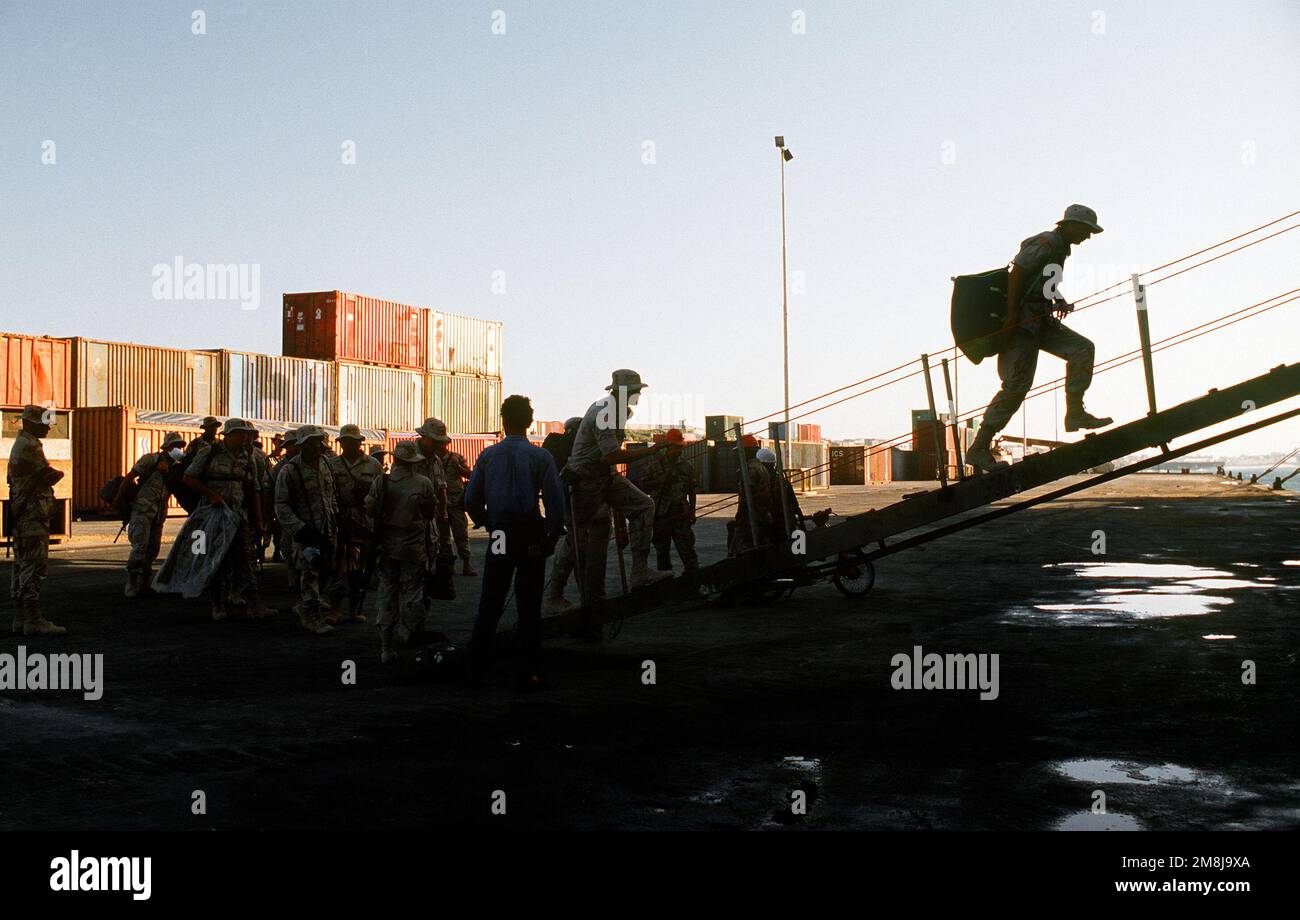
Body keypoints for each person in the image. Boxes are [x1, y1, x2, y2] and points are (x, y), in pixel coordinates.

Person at [966, 204, 1113, 472]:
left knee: (1082, 349)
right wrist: (1011, 316)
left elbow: (1046, 283)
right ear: (1069, 225)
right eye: (1086, 230)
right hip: (1022, 323)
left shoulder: (1061, 249)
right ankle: (979, 448)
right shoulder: (1046, 243)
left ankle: (1075, 412)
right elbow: (1017, 274)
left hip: (1040, 320)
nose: (1088, 237)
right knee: (1017, 384)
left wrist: (1059, 300)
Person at [464, 395, 565, 690]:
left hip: (500, 534)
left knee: (491, 600)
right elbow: (555, 504)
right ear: (529, 422)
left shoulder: (488, 456)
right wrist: (550, 536)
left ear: (503, 421)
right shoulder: (540, 457)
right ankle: (527, 672)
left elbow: (470, 498)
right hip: (530, 534)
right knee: (529, 604)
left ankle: (476, 669)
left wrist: (485, 520)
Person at [564, 369, 673, 604]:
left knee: (644, 506)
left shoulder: (618, 411)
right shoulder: (605, 412)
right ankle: (554, 593)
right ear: (621, 392)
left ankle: (640, 571)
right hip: (585, 481)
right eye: (634, 392)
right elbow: (611, 455)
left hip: (604, 476)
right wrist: (652, 450)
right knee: (576, 539)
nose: (638, 397)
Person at [184, 417, 270, 621]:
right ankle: (218, 605)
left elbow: (253, 489)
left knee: (245, 560)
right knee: (215, 560)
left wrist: (258, 521)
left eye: (246, 434)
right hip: (212, 515)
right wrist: (211, 494)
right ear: (228, 435)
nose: (245, 438)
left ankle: (254, 605)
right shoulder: (209, 452)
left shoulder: (248, 457)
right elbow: (188, 477)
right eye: (240, 434)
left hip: (237, 516)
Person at [364, 440, 439, 663]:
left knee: (387, 595)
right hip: (413, 549)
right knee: (412, 596)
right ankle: (411, 642)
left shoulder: (382, 481)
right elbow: (430, 512)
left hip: (387, 549)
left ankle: (386, 649)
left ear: (395, 460)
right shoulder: (423, 483)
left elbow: (369, 509)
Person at [6, 405, 66, 635]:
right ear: (31, 423)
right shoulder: (30, 446)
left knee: (22, 565)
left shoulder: (20, 444)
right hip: (32, 515)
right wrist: (57, 474)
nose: (48, 428)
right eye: (44, 423)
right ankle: (33, 619)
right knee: (34, 566)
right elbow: (48, 475)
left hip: (24, 514)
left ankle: (20, 617)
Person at [274, 425, 340, 635]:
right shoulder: (290, 470)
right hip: (306, 531)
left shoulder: (325, 465)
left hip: (327, 528)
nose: (318, 445)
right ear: (303, 445)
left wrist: (337, 520)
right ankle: (312, 617)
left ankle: (307, 607)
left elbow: (331, 496)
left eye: (319, 441)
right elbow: (281, 504)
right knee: (309, 573)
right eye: (312, 442)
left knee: (327, 570)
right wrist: (298, 528)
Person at [116, 431, 186, 598]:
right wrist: (118, 498)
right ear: (167, 447)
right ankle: (132, 582)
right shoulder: (150, 459)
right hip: (142, 511)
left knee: (152, 550)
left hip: (159, 514)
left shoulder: (175, 469)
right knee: (139, 547)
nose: (178, 449)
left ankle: (144, 583)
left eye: (180, 446)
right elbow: (130, 477)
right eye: (175, 446)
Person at [327, 424, 383, 621]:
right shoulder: (332, 464)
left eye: (353, 441)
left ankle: (354, 609)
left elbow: (380, 495)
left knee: (361, 568)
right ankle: (335, 609)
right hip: (340, 518)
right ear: (340, 443)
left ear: (360, 443)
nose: (349, 445)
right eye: (345, 441)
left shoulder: (373, 465)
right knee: (338, 566)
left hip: (365, 520)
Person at [542, 416, 584, 614]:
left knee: (573, 549)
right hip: (578, 507)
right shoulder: (576, 448)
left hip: (567, 506)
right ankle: (558, 596)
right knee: (577, 554)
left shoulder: (553, 446)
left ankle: (556, 595)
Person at [643, 428, 699, 573]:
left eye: (681, 447)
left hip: (680, 514)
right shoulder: (654, 464)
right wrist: (661, 481)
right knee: (662, 553)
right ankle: (666, 581)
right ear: (668, 446)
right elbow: (642, 487)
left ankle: (693, 580)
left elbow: (692, 490)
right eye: (676, 447)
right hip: (661, 515)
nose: (679, 450)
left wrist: (692, 511)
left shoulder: (687, 466)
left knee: (687, 550)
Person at [426, 422, 477, 576]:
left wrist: (458, 467)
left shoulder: (456, 458)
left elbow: (470, 475)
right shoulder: (431, 459)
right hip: (438, 502)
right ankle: (449, 564)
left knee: (461, 533)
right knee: (442, 536)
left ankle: (466, 562)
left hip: (455, 501)